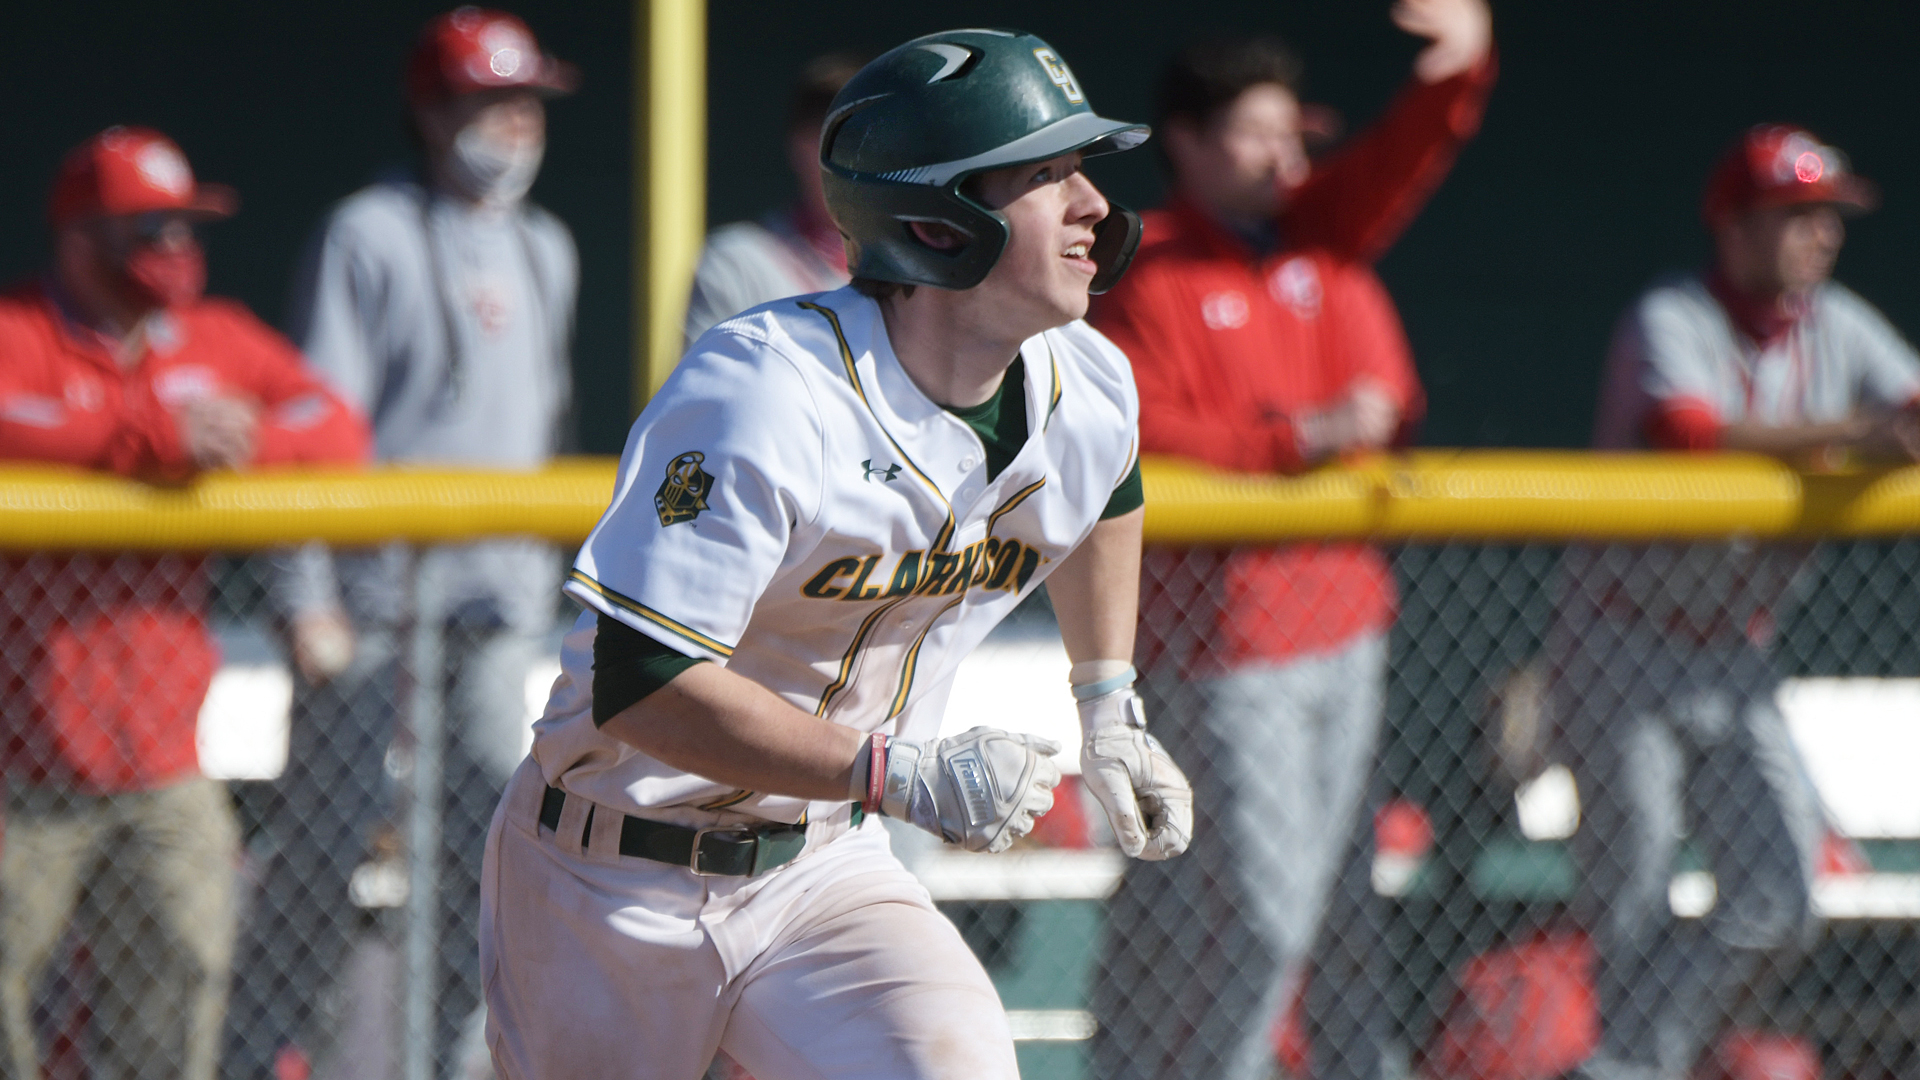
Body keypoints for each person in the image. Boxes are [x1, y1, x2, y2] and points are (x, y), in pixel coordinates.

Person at [479, 30, 1193, 1080]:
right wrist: (894, 772)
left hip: (823, 869)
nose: (1094, 204)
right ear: (938, 222)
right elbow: (643, 683)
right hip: (610, 871)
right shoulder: (765, 391)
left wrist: (1108, 701)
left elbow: (1108, 492)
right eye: (1048, 175)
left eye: (1083, 170)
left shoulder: (1085, 380)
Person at [1086, 3, 1496, 1078]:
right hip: (1217, 646)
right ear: (1187, 140)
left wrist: (1457, 72)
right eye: (1256, 133)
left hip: (1345, 621)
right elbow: (1132, 428)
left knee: (1336, 912)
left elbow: (1395, 172)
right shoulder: (1143, 261)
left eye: (1292, 131)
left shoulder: (1325, 245)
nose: (1284, 155)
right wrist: (1292, 439)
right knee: (1255, 912)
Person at [233, 8, 579, 1076]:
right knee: (324, 847)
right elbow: (312, 424)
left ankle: (452, 1065)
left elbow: (542, 425)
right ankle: (249, 1054)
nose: (516, 123)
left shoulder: (547, 245)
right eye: (491, 100)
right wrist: (303, 596)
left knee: (485, 850)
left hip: (494, 610)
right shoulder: (368, 232)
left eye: (527, 102)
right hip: (372, 607)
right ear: (431, 112)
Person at [0, 127, 368, 1080]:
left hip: (163, 761)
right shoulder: (21, 332)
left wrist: (234, 443)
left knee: (181, 986)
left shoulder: (214, 338)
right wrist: (149, 436)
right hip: (19, 769)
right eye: (147, 229)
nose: (173, 248)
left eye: (183, 227)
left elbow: (334, 426)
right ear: (81, 235)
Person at [1558, 123, 1920, 1080]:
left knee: (1782, 896)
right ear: (1734, 223)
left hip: (1732, 647)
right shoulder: (1670, 316)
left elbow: (1913, 404)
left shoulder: (1840, 323)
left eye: (1829, 216)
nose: (1823, 234)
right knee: (1630, 904)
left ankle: (1625, 1067)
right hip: (1619, 636)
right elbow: (1688, 432)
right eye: (1797, 214)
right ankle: (1634, 1066)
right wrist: (1857, 434)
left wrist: (1895, 425)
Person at [682, 52, 864, 346]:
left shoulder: (915, 269)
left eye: (864, 141)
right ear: (798, 143)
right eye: (832, 138)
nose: (850, 160)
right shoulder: (738, 263)